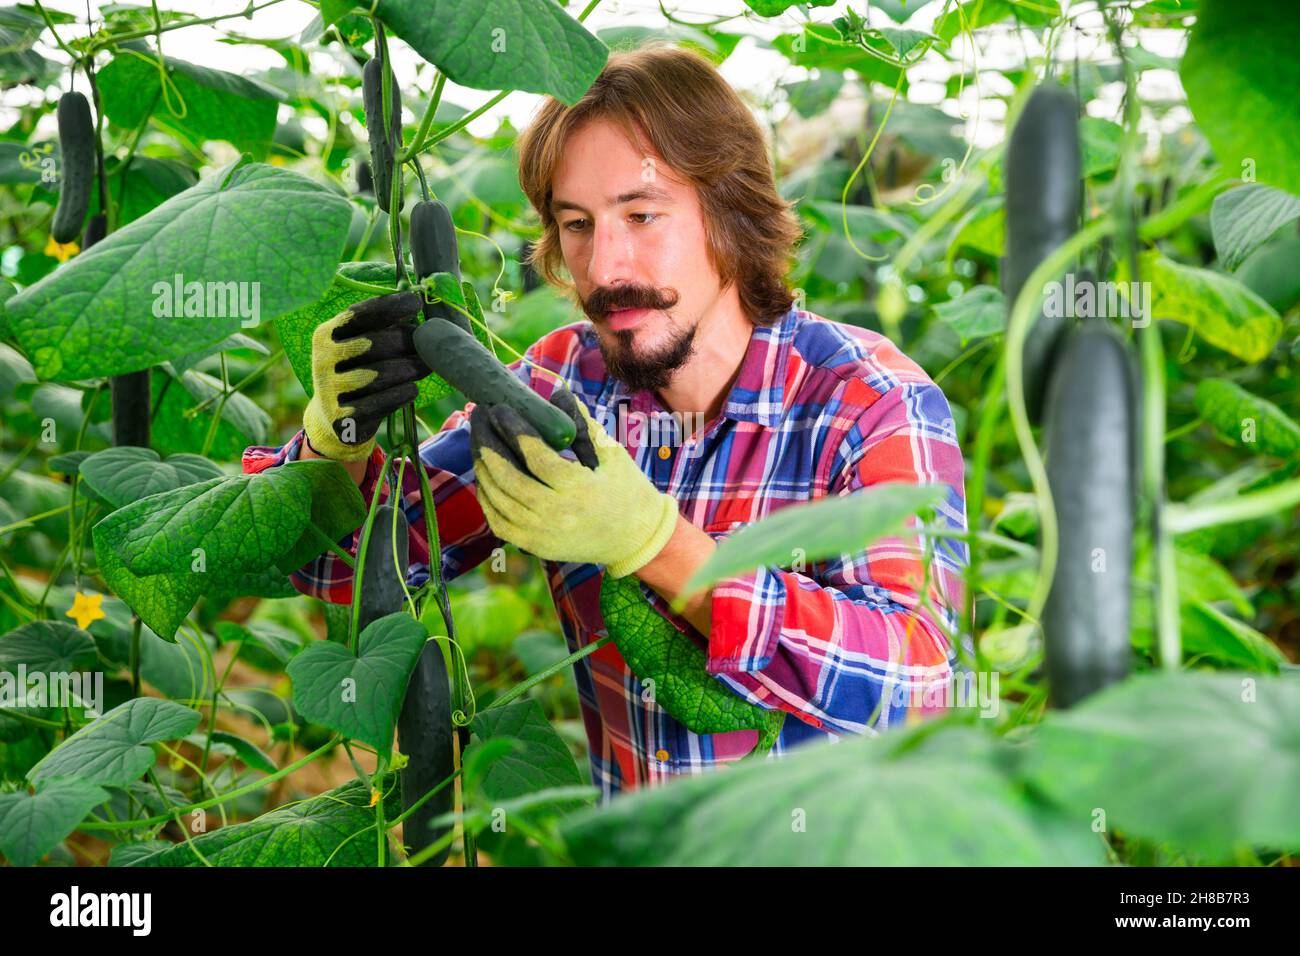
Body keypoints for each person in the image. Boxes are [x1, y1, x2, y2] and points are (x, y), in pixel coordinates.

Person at [243, 44, 969, 799]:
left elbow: (914, 686)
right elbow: (342, 570)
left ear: (729, 210)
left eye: (642, 214)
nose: (606, 265)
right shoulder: (567, 378)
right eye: (578, 224)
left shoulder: (871, 402)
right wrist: (336, 440)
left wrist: (659, 545)